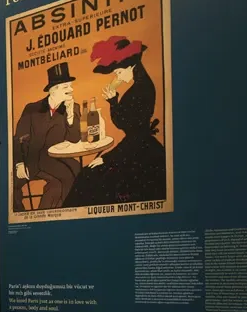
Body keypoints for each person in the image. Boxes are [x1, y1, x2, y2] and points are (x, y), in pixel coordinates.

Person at [64, 37, 166, 207]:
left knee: (88, 178)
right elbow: (124, 123)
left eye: (118, 72)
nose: (117, 77)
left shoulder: (141, 90)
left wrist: (108, 159)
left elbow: (136, 134)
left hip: (140, 154)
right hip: (134, 149)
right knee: (87, 177)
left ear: (131, 67)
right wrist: (113, 101)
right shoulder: (137, 86)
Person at [12, 62, 82, 210]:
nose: (71, 89)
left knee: (67, 179)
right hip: (29, 161)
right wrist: (19, 163)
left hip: (54, 161)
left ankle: (44, 217)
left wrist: (70, 115)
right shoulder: (32, 109)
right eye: (66, 87)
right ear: (53, 90)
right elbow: (17, 138)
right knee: (9, 185)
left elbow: (74, 139)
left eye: (70, 85)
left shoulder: (73, 108)